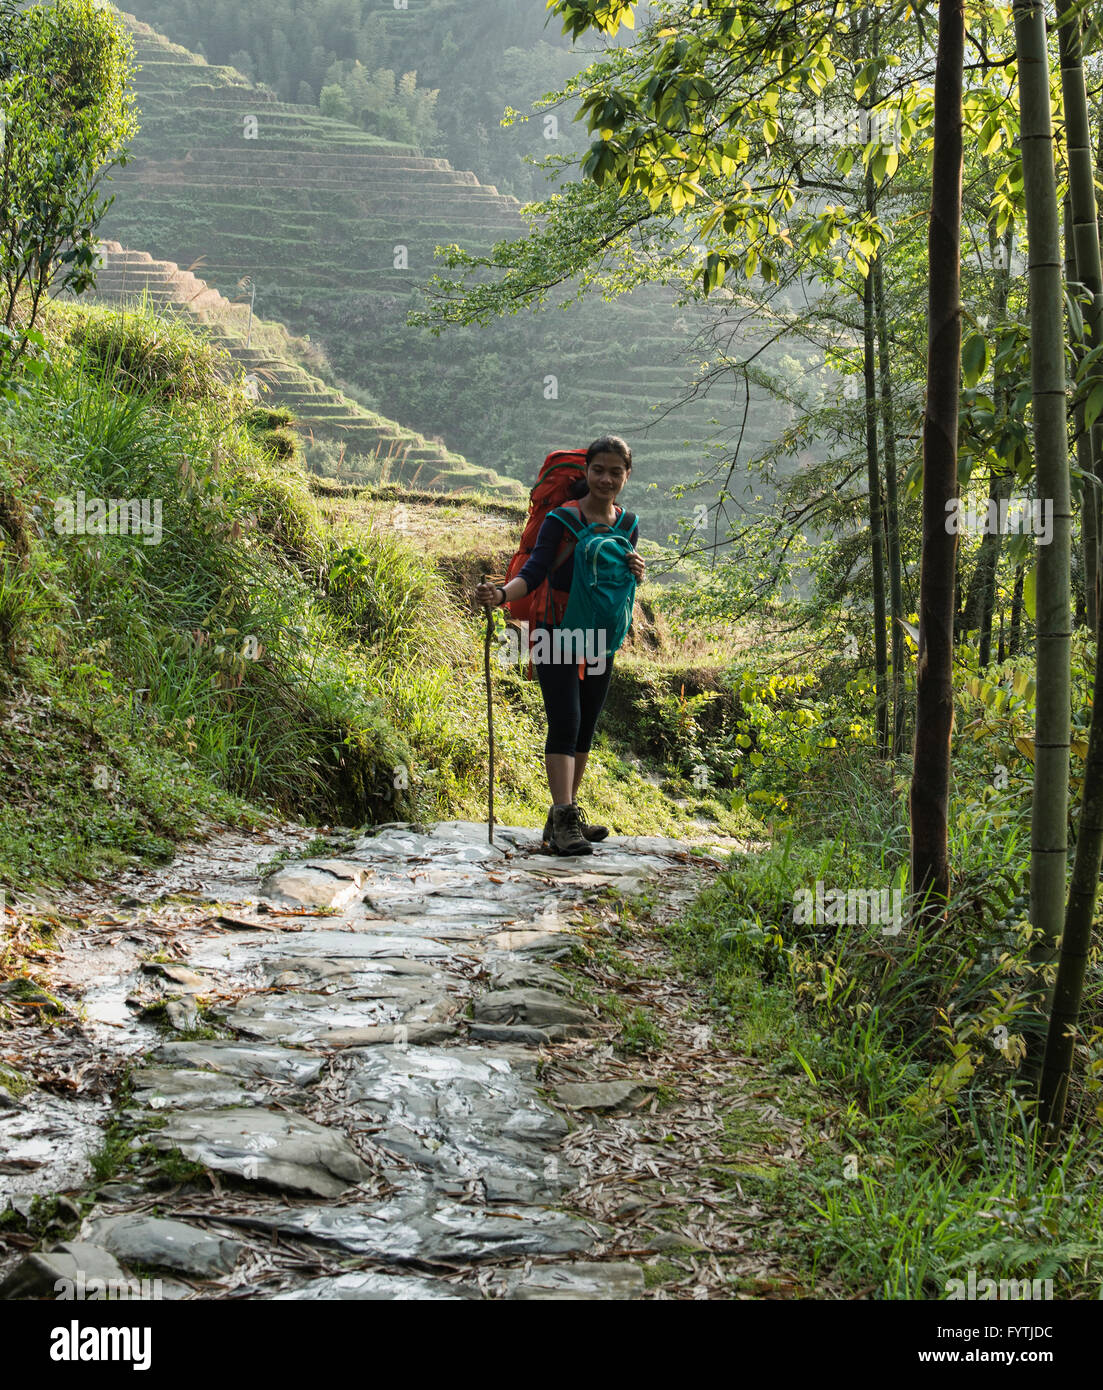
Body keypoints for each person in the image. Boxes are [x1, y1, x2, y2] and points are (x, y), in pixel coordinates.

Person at [474, 436, 645, 855]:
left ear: (627, 475)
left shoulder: (629, 525)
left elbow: (613, 579)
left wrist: (636, 569)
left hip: (601, 636)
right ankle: (565, 817)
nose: (606, 478)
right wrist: (501, 595)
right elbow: (533, 572)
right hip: (555, 630)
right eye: (598, 470)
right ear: (586, 472)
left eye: (615, 472)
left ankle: (563, 817)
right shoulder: (561, 520)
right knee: (566, 721)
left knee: (585, 725)